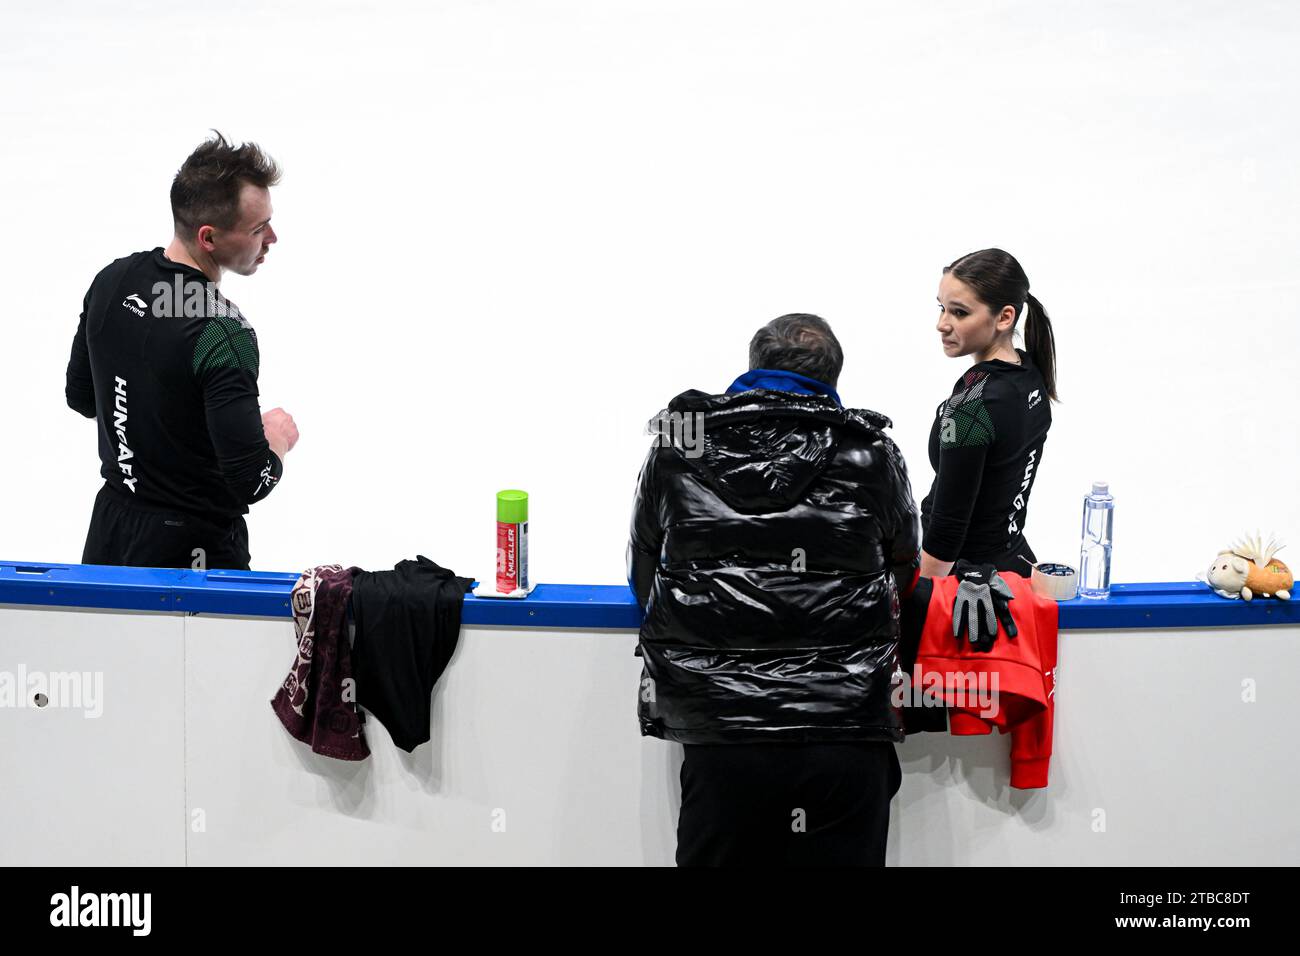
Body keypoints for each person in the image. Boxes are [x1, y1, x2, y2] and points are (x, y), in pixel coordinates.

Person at [627, 313, 922, 866]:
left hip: (721, 726)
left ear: (753, 368)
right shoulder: (870, 454)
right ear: (833, 377)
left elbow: (644, 571)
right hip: (845, 722)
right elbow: (903, 570)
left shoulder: (678, 450)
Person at [65, 132, 299, 571]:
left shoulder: (111, 281)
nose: (272, 237)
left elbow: (82, 398)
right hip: (192, 553)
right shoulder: (221, 332)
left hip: (110, 537)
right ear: (208, 237)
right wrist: (277, 441)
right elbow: (253, 480)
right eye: (257, 228)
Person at [920, 248, 1058, 580]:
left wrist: (920, 600)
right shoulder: (1028, 374)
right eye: (942, 308)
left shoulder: (971, 405)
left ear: (1004, 317)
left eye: (959, 312)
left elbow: (948, 528)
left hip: (970, 582)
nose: (942, 324)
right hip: (1014, 563)